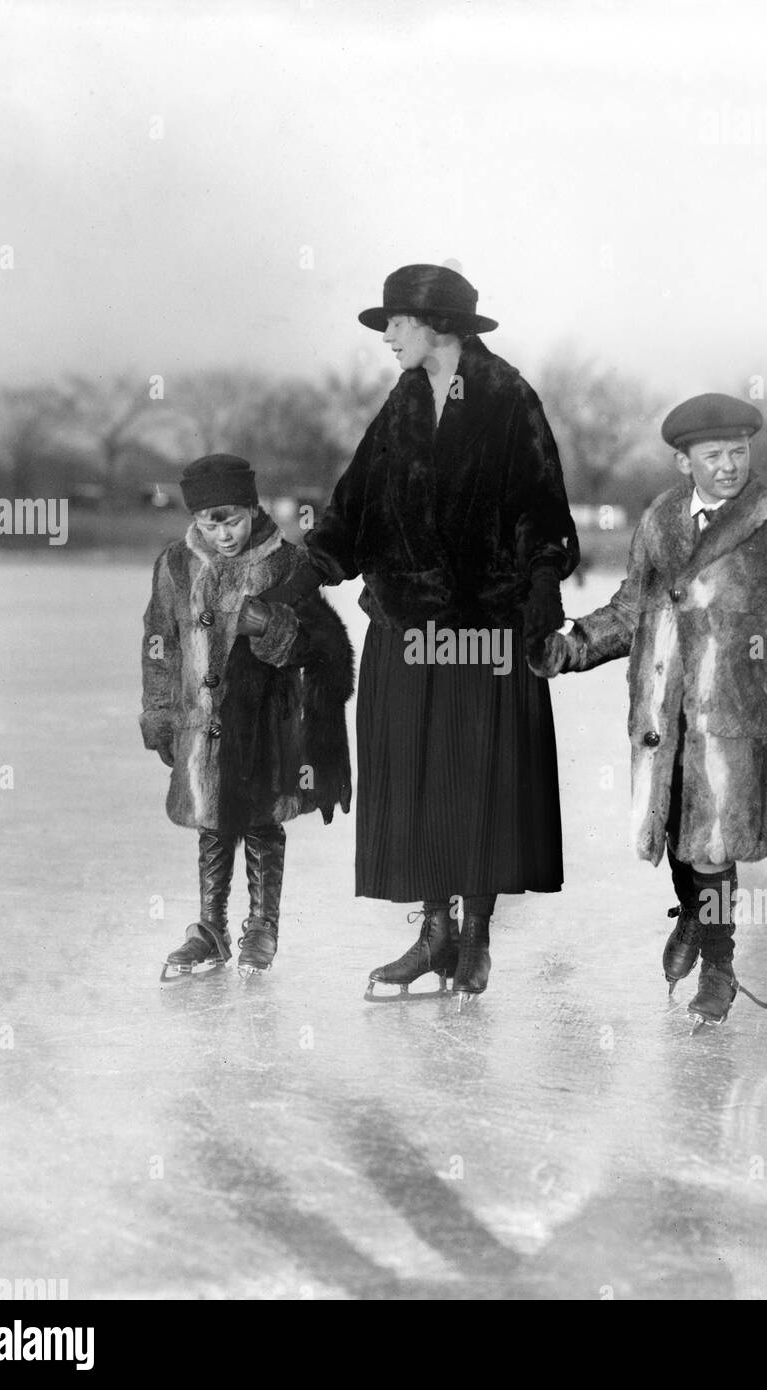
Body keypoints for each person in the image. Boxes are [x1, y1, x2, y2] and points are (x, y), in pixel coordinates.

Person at [282, 263, 579, 1003]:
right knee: (417, 777)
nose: (387, 336)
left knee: (475, 777)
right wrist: (315, 562)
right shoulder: (403, 403)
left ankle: (475, 934)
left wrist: (542, 581)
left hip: (485, 626)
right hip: (408, 622)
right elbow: (356, 503)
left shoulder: (508, 397)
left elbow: (543, 508)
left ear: (436, 325)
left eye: (397, 323)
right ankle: (435, 931)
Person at [530, 394, 767, 1023]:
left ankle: (720, 965)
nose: (729, 465)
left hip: (736, 724)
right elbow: (630, 611)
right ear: (682, 460)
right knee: (676, 836)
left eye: (739, 452)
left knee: (713, 848)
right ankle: (696, 916)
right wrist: (572, 645)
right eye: (714, 454)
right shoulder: (660, 522)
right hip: (664, 720)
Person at [139, 453, 354, 981]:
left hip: (266, 720)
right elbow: (159, 644)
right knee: (211, 818)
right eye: (209, 523)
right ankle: (210, 928)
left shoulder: (285, 563)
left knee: (261, 818)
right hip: (200, 721)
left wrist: (272, 630)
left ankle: (262, 926)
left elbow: (320, 645)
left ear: (253, 509)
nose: (223, 534)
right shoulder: (175, 565)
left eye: (232, 519)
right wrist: (161, 713)